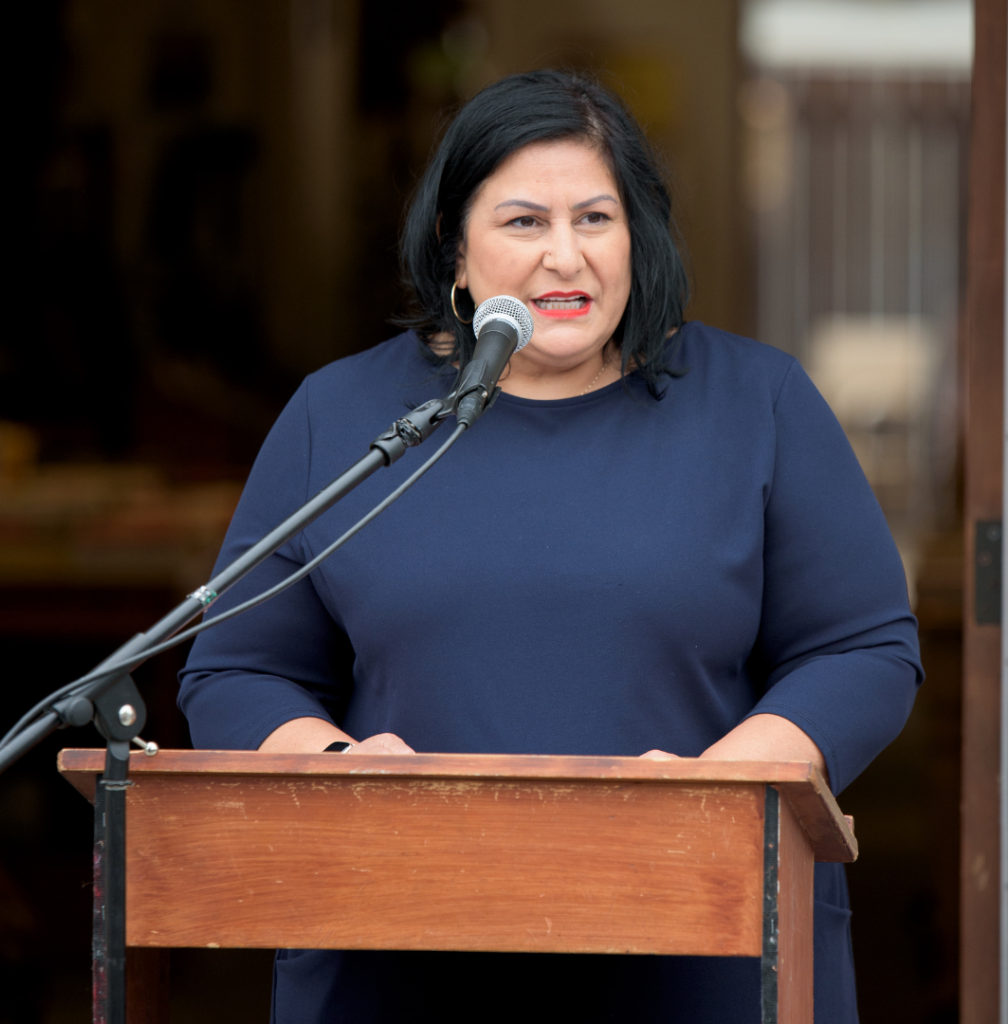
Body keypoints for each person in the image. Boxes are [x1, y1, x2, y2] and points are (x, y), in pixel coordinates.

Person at [179, 70, 922, 1024]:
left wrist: (718, 787)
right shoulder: (345, 414)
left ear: (637, 236)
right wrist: (346, 769)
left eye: (596, 220)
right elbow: (237, 668)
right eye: (524, 222)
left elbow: (862, 650)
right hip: (396, 938)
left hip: (706, 931)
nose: (564, 258)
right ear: (454, 249)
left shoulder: (759, 404)